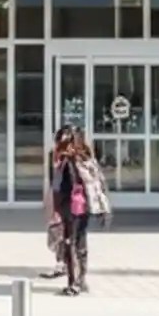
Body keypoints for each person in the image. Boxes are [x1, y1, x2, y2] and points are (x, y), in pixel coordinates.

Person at [52, 129, 111, 296]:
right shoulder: (87, 159)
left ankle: (74, 283)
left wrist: (57, 208)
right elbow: (99, 183)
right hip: (85, 207)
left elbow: (60, 187)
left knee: (71, 244)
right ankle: (81, 279)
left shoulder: (68, 162)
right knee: (81, 243)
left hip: (72, 208)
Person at [40, 125, 74, 280]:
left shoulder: (74, 157)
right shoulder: (53, 155)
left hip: (71, 201)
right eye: (59, 141)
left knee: (69, 234)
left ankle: (70, 268)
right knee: (56, 230)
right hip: (56, 197)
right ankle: (61, 262)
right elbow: (52, 179)